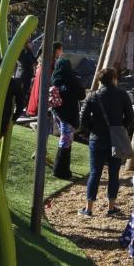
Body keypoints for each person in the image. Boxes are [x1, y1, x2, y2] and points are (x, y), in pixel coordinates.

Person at [79, 67, 134, 217]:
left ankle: (89, 208)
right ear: (113, 79)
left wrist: (93, 128)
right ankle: (111, 207)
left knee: (95, 173)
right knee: (114, 173)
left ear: (100, 81)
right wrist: (119, 126)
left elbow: (82, 120)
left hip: (97, 138)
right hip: (115, 139)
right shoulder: (122, 95)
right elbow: (130, 117)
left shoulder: (93, 96)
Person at [49, 45, 86, 180]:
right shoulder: (72, 79)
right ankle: (61, 171)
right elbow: (82, 95)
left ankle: (61, 170)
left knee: (64, 141)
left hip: (57, 113)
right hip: (68, 115)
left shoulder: (55, 79)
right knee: (66, 142)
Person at [17, 42, 38, 115]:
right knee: (22, 93)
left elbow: (35, 61)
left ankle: (24, 109)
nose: (32, 44)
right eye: (30, 43)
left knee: (26, 92)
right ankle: (19, 109)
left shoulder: (29, 52)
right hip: (22, 75)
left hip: (28, 75)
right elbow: (30, 61)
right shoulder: (23, 51)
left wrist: (40, 52)